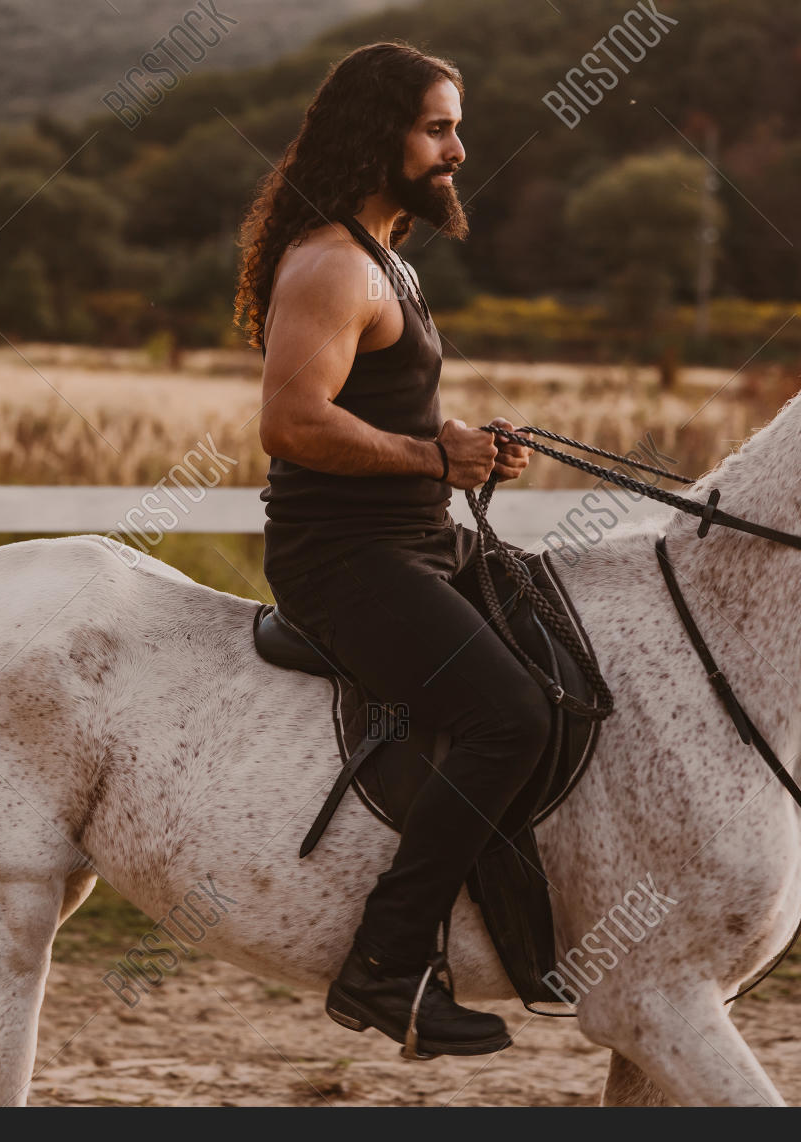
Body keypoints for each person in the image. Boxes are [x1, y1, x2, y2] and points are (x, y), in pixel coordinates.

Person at [236, 42, 551, 1057]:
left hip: (417, 537)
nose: (460, 148)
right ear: (382, 134)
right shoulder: (330, 263)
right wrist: (429, 453)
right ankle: (384, 966)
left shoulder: (390, 260)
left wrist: (462, 448)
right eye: (438, 127)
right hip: (345, 564)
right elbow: (290, 422)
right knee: (507, 714)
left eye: (456, 126)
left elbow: (382, 410)